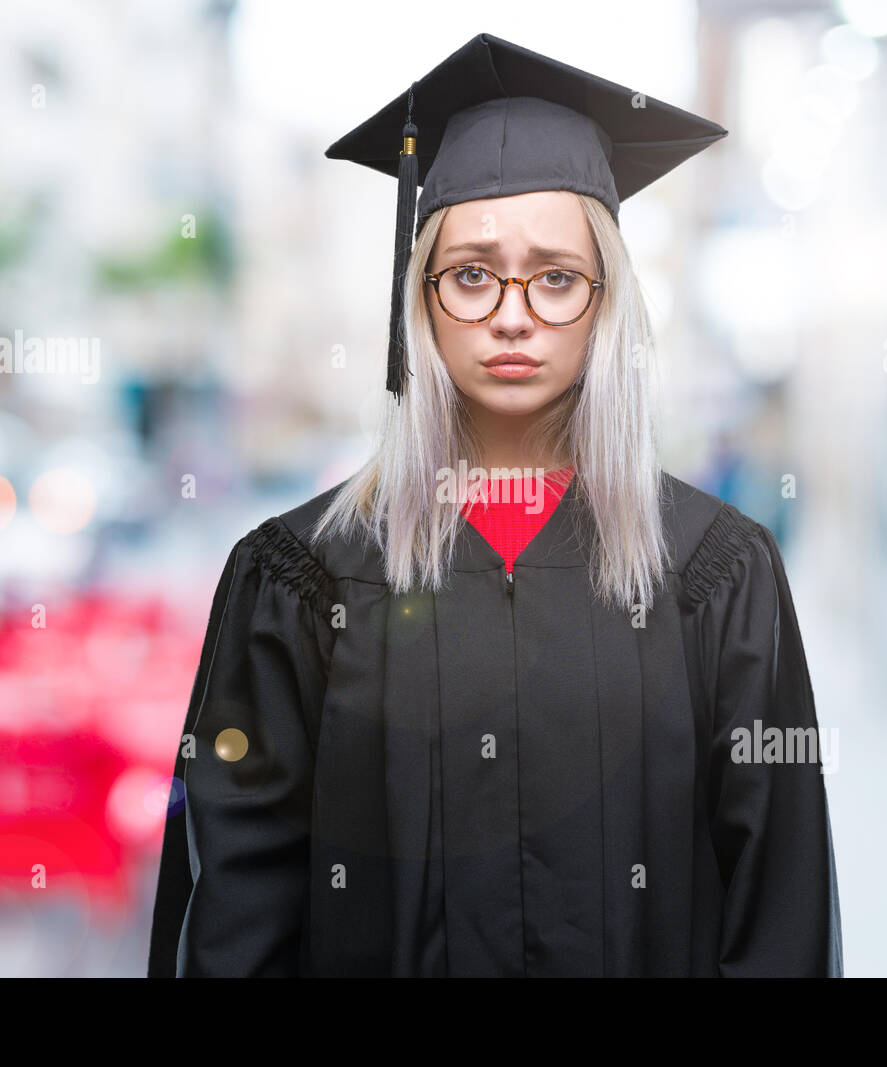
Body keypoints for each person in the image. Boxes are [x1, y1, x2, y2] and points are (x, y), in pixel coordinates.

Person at [148, 32, 843, 978]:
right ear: (420, 300)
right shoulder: (302, 579)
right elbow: (239, 925)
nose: (512, 313)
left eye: (557, 276)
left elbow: (779, 917)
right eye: (472, 273)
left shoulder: (716, 574)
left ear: (608, 303)